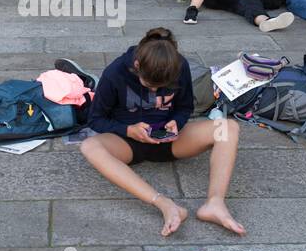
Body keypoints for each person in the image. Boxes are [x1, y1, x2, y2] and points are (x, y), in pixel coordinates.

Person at [80, 28, 245, 238]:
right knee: (89, 146)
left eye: (162, 87)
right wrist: (128, 130)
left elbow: (185, 107)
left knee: (228, 127)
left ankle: (215, 203)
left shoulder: (180, 65)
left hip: (171, 141)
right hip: (127, 143)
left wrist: (177, 121)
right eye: (149, 85)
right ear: (137, 66)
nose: (154, 92)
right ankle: (165, 204)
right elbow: (95, 118)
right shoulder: (116, 71)